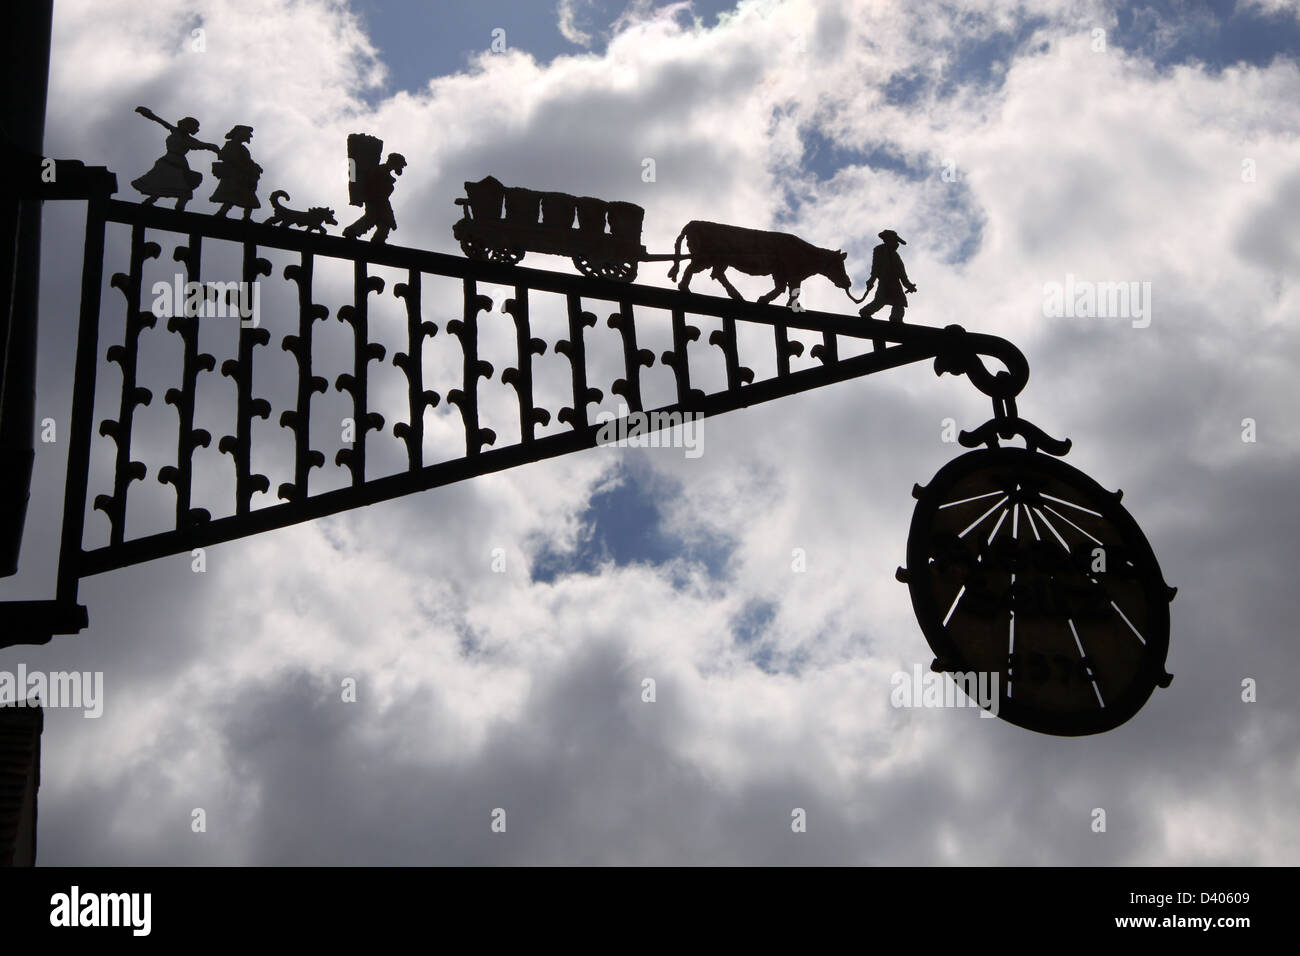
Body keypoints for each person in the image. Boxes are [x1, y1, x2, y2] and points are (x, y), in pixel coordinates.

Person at [130, 107, 219, 210]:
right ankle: (151, 200)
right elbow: (159, 120)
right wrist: (147, 113)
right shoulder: (175, 131)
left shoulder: (190, 140)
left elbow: (205, 145)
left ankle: (179, 206)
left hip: (179, 163)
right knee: (161, 182)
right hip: (168, 161)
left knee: (181, 185)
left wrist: (214, 148)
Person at [859, 229, 917, 350]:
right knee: (880, 300)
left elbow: (903, 275)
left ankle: (896, 320)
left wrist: (909, 285)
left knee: (899, 303)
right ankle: (865, 312)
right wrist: (872, 280)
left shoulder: (896, 257)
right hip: (885, 281)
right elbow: (875, 268)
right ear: (888, 240)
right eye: (895, 241)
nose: (897, 245)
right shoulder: (879, 250)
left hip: (895, 283)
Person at [342, 152, 407, 243]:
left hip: (381, 203)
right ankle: (352, 231)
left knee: (383, 223)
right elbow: (372, 186)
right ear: (394, 163)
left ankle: (377, 240)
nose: (401, 168)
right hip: (374, 201)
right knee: (371, 219)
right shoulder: (380, 170)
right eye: (400, 165)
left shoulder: (385, 173)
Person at [209, 125, 263, 219]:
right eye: (247, 134)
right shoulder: (231, 145)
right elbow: (226, 156)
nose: (249, 137)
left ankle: (245, 217)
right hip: (235, 175)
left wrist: (254, 166)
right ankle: (222, 213)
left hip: (243, 176)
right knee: (231, 196)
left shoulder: (242, 148)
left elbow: (248, 161)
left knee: (247, 198)